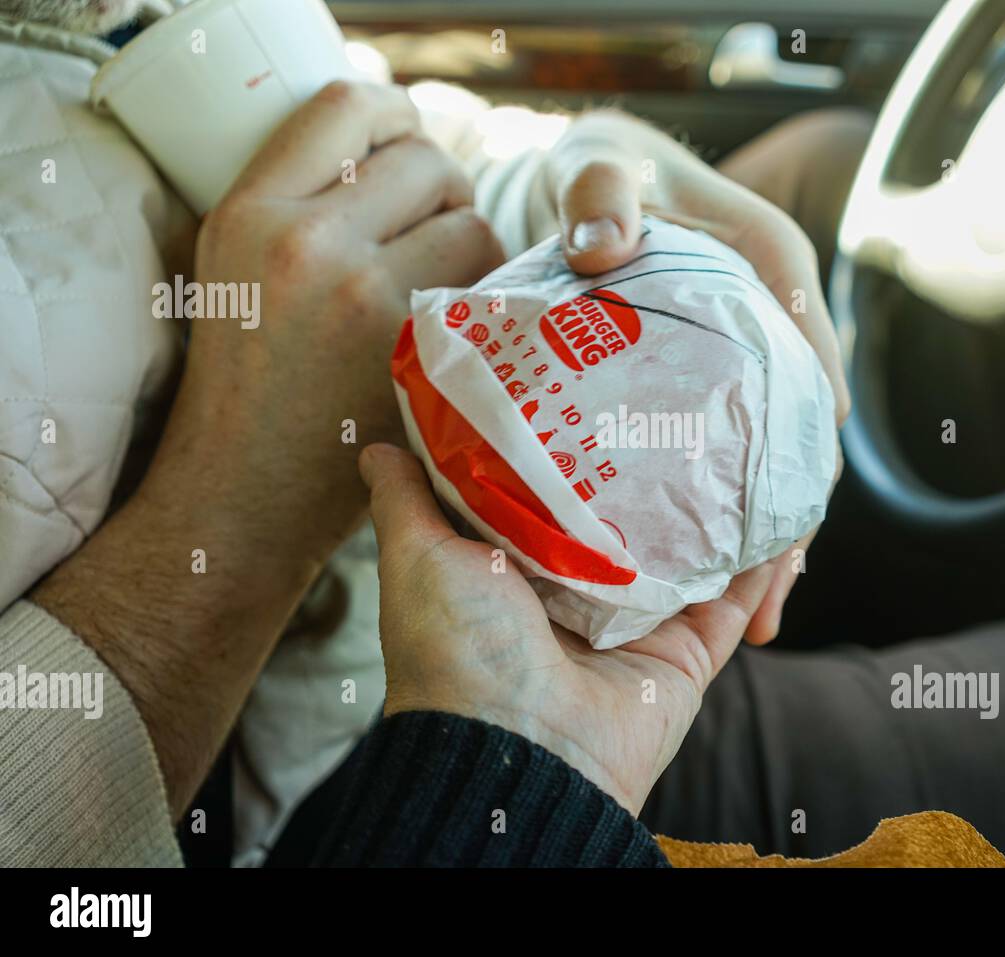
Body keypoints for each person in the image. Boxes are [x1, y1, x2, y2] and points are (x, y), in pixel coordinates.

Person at [0, 0, 844, 866]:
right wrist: (244, 508)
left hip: (523, 671)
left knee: (827, 154)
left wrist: (570, 171)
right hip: (341, 797)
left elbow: (403, 134)